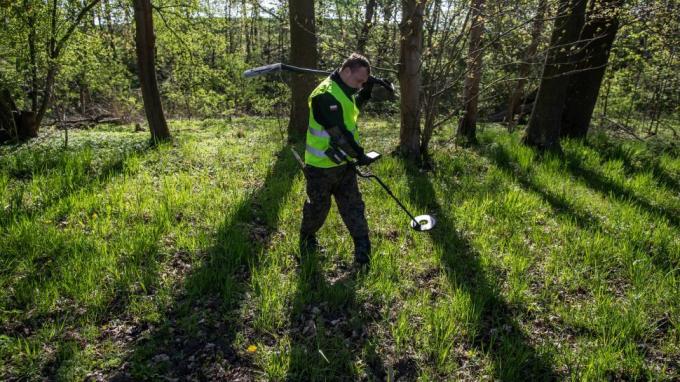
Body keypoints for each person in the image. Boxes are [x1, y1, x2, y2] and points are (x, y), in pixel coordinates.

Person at [299, 53, 378, 265]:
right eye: (359, 81)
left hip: (344, 166)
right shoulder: (323, 96)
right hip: (321, 168)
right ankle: (307, 238)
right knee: (318, 209)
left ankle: (363, 253)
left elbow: (350, 111)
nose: (360, 86)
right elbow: (338, 132)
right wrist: (360, 155)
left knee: (353, 207)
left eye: (364, 82)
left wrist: (367, 91)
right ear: (346, 71)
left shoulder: (346, 89)